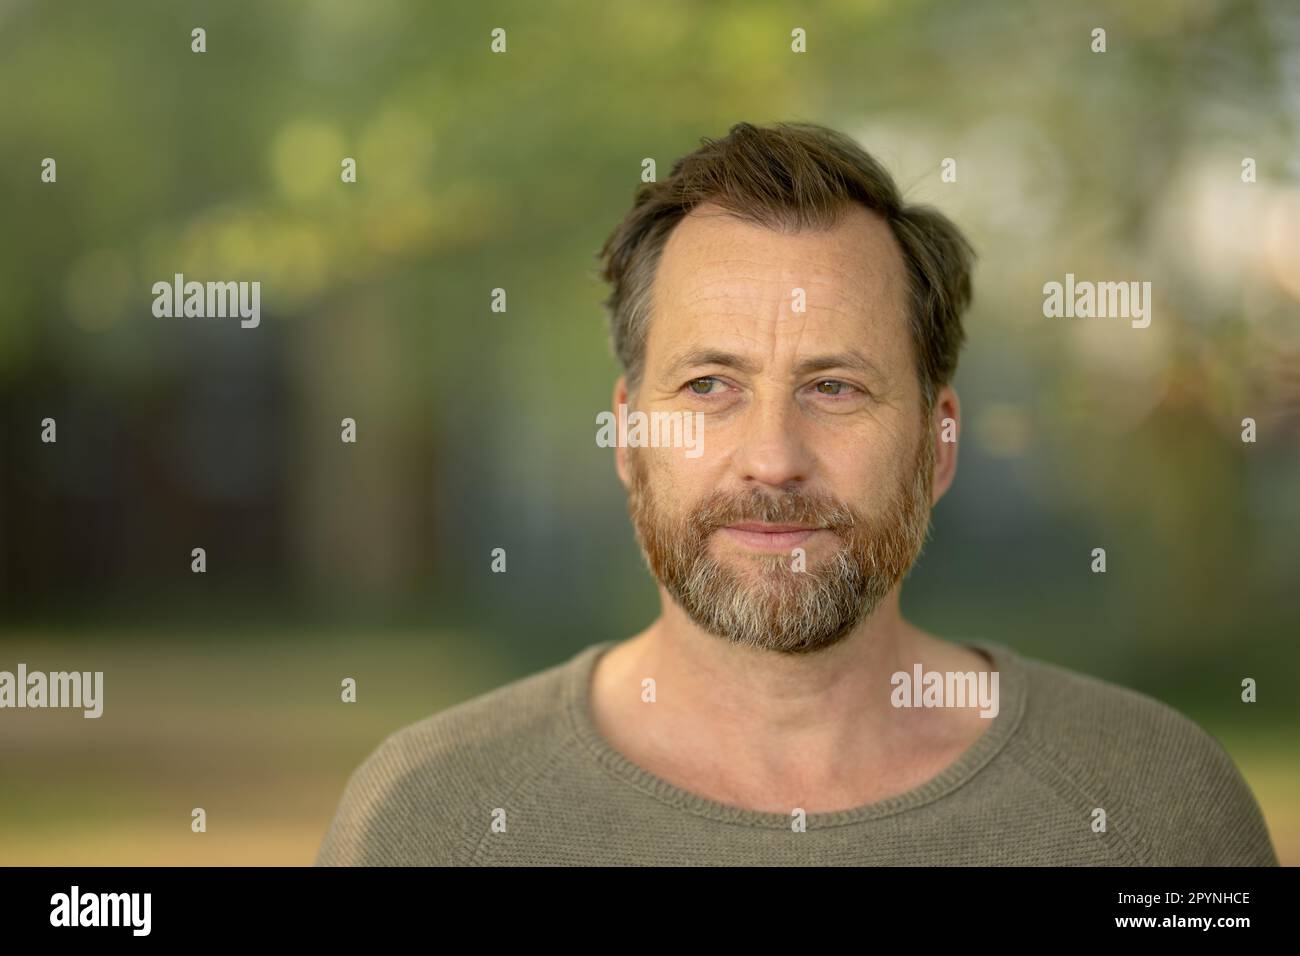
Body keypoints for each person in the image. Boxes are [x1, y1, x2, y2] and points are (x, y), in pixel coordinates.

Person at [315, 121, 1278, 866]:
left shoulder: (1157, 810)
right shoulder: (428, 821)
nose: (772, 459)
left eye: (835, 388)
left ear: (939, 443)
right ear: (625, 433)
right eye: (708, 387)